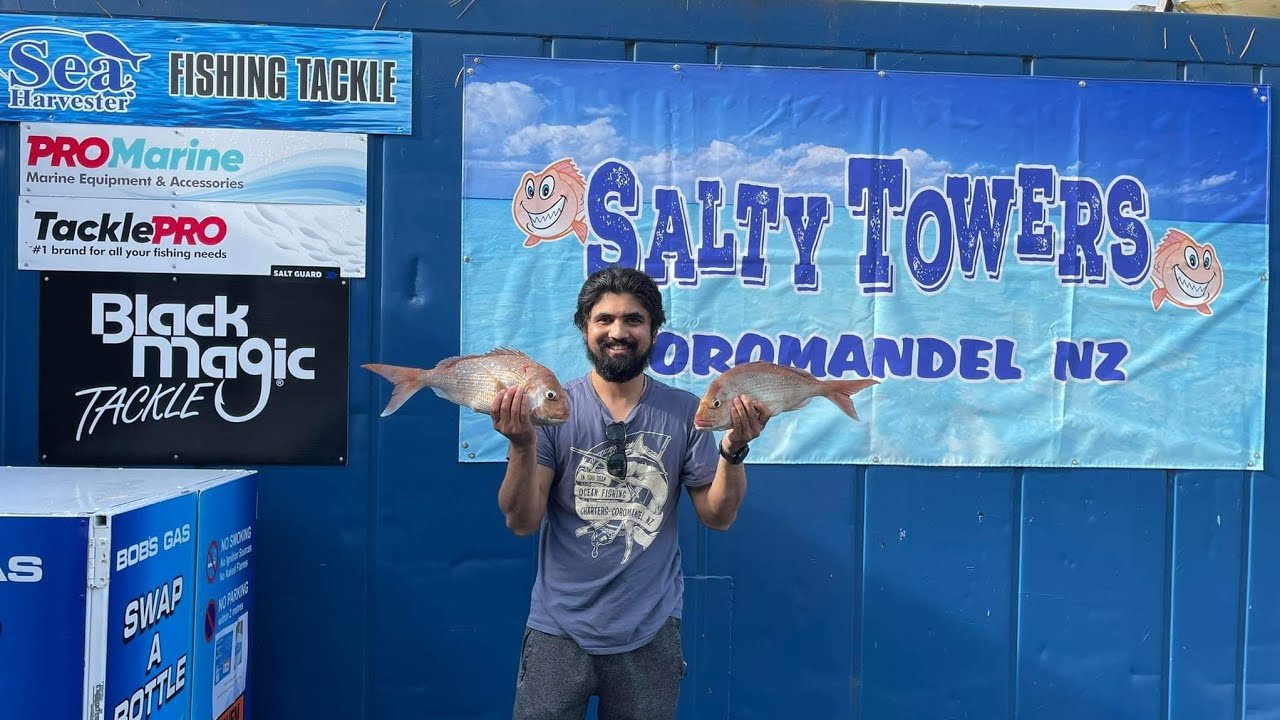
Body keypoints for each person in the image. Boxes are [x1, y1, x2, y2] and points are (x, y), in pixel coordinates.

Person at [490, 266, 770, 720]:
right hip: (558, 630)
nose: (618, 332)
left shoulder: (687, 413)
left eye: (633, 319)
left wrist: (733, 450)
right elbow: (521, 522)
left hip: (650, 630)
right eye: (604, 319)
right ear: (585, 328)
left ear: (654, 329)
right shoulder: (551, 408)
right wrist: (522, 443)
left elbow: (718, 517)